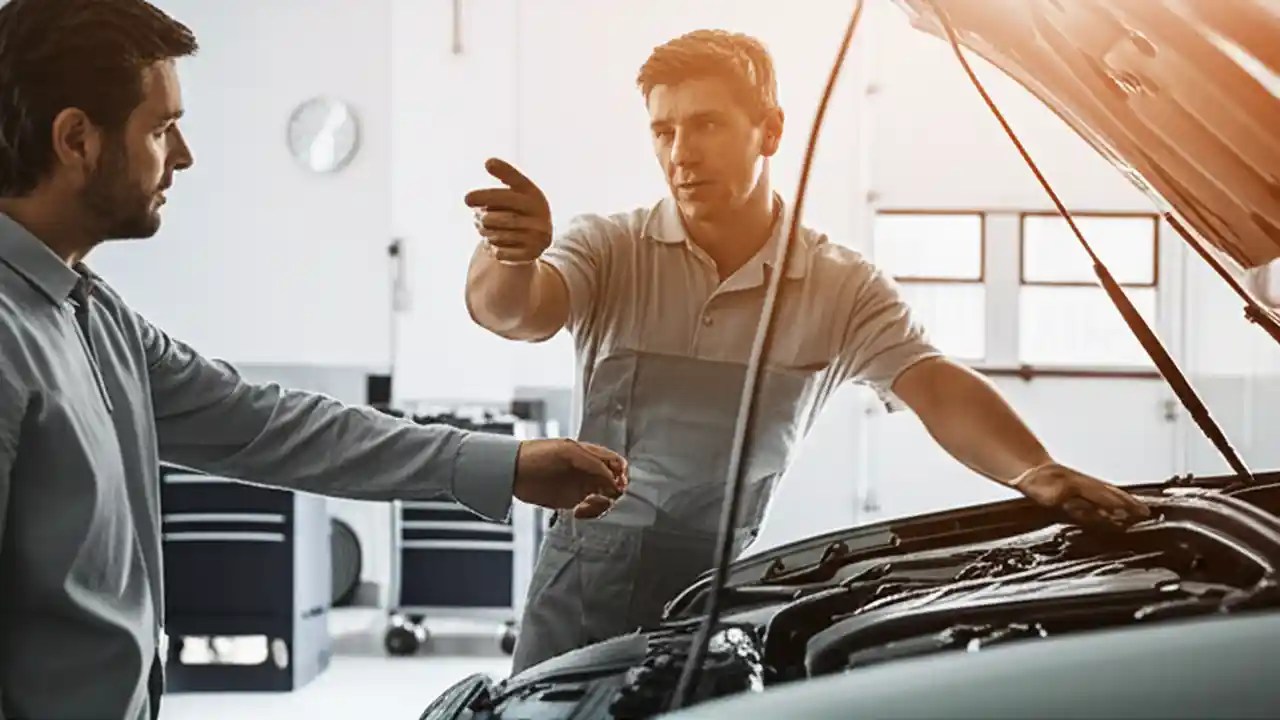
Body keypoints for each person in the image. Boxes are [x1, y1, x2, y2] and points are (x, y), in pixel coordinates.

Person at [0, 1, 629, 718]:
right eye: (162, 127)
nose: (183, 154)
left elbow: (269, 425)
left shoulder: (93, 313)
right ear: (76, 139)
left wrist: (505, 465)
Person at [463, 28, 1151, 673]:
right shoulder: (611, 248)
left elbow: (930, 381)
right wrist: (510, 257)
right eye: (663, 131)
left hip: (718, 583)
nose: (681, 153)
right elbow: (516, 313)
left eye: (705, 124)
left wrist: (1033, 469)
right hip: (583, 575)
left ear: (770, 130)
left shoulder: (837, 284)